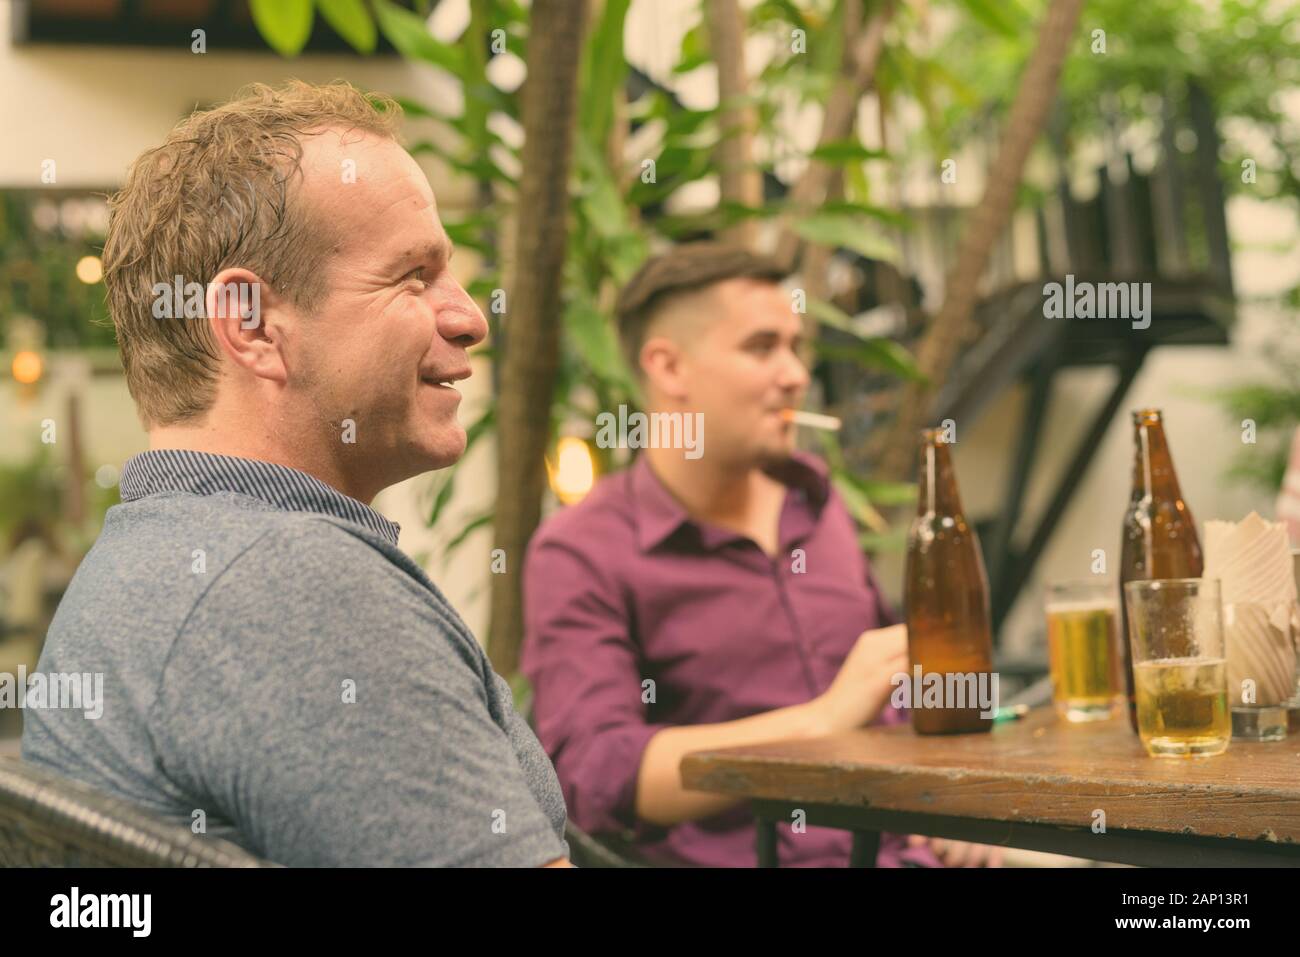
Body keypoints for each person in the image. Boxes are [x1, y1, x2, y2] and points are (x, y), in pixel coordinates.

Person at [22, 81, 570, 868]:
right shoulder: (288, 585)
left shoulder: (158, 556)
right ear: (252, 324)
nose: (470, 316)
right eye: (413, 275)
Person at [522, 243, 1001, 867]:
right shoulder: (582, 549)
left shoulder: (817, 503)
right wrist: (819, 722)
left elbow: (898, 692)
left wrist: (953, 797)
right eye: (761, 347)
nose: (796, 374)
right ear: (670, 369)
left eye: (796, 347)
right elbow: (595, 775)